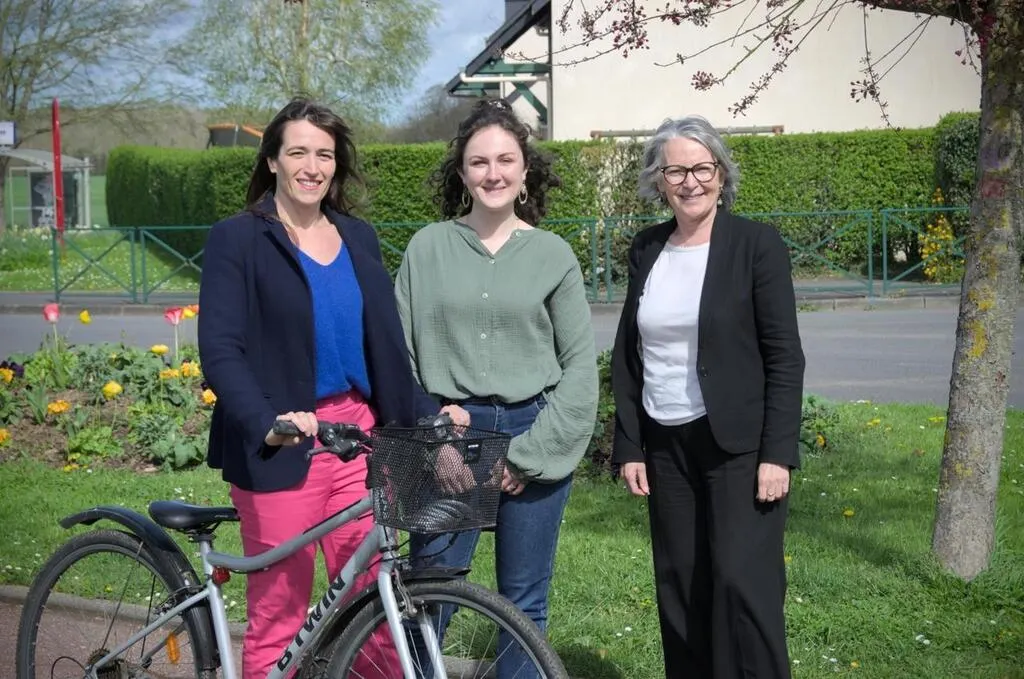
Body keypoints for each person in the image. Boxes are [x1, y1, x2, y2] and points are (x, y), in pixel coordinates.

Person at [197, 97, 466, 679]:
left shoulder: (357, 237)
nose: (312, 166)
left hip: (356, 442)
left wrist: (429, 412)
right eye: (298, 152)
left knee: (375, 605)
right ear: (272, 160)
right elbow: (220, 350)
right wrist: (267, 422)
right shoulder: (237, 239)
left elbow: (383, 351)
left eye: (324, 154)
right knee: (281, 614)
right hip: (283, 442)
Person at [395, 98, 599, 678]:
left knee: (523, 602)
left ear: (525, 169)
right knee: (428, 594)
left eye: (505, 160)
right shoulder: (427, 248)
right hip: (449, 436)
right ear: (462, 173)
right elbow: (400, 354)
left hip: (531, 428)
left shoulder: (553, 255)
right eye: (479, 162)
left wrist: (527, 457)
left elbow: (579, 368)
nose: (493, 173)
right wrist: (435, 436)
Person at [610, 115, 805, 679]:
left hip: (740, 447)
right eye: (676, 171)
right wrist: (630, 444)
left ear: (721, 173)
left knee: (744, 587)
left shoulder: (756, 245)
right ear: (659, 180)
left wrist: (778, 453)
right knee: (681, 586)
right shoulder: (648, 248)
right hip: (666, 445)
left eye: (702, 168)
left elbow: (784, 356)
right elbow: (629, 352)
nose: (690, 181)